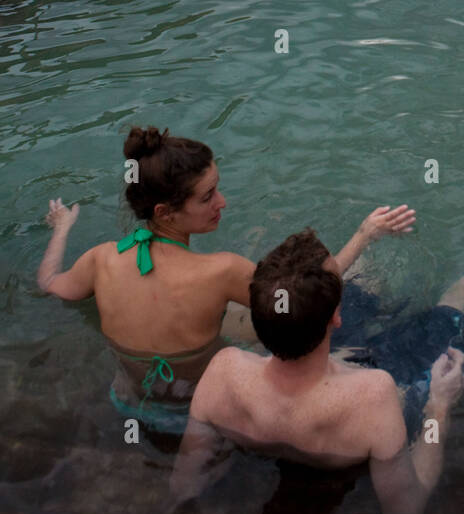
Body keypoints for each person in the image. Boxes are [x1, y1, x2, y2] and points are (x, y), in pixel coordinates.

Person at [37, 126, 416, 433]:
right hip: (204, 415)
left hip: (130, 405)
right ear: (165, 213)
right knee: (359, 289)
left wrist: (62, 228)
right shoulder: (220, 271)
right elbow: (308, 290)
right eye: (207, 197)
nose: (223, 202)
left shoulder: (101, 258)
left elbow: (49, 283)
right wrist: (365, 235)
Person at [171, 229, 464, 514]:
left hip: (320, 347)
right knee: (455, 306)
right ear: (335, 317)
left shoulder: (224, 371)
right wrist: (439, 407)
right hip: (355, 370)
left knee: (358, 283)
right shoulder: (374, 394)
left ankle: (364, 253)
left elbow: (185, 485)